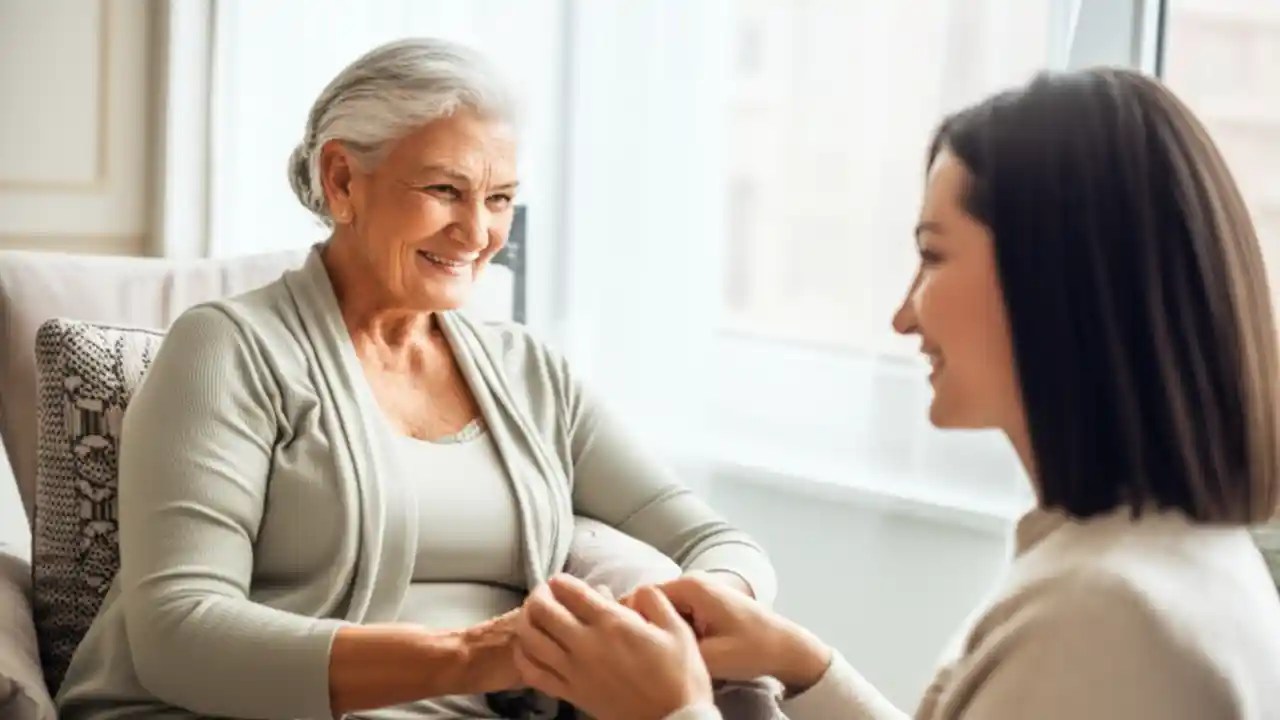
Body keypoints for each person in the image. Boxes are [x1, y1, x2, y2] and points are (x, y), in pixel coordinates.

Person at [512, 67, 1280, 720]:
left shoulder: (1107, 617)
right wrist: (810, 671)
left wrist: (671, 709)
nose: (904, 314)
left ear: (1054, 281)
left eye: (933, 257)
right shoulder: (1171, 563)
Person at [55, 38, 776, 720]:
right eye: (444, 189)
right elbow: (180, 637)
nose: (478, 233)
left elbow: (717, 542)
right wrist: (479, 655)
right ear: (342, 179)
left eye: (499, 199)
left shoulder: (530, 375)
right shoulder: (228, 351)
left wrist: (690, 613)